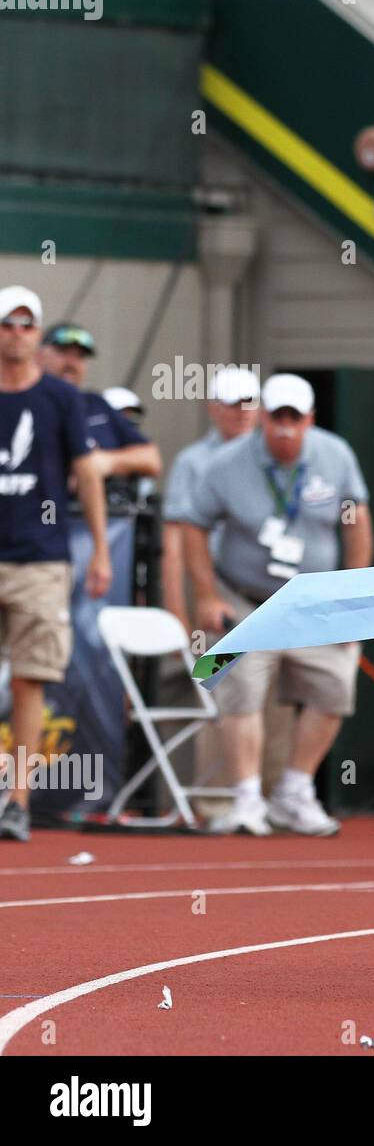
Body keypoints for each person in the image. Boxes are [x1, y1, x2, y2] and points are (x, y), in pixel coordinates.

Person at [181, 373, 374, 838]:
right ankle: (246, 796)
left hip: (311, 601)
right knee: (238, 687)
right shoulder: (224, 464)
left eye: (294, 418)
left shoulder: (336, 455)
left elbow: (356, 523)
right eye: (276, 418)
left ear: (309, 419)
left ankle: (294, 790)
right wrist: (206, 594)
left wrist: (352, 597)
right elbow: (193, 527)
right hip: (243, 599)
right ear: (263, 418)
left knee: (335, 685)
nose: (285, 429)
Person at [0, 287, 111, 842]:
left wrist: (102, 550)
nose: (16, 334)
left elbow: (88, 475)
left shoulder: (60, 399)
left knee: (30, 681)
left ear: (36, 335)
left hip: (40, 560)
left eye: (25, 326)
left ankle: (16, 800)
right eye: (7, 325)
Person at [161, 367, 261, 636]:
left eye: (250, 402)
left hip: (273, 588)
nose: (243, 411)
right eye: (233, 403)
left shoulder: (274, 461)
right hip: (214, 588)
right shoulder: (193, 462)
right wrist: (176, 613)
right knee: (220, 673)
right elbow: (174, 543)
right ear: (213, 408)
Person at [39, 322, 162, 482]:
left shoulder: (96, 405)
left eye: (80, 356)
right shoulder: (25, 402)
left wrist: (103, 462)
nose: (71, 364)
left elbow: (151, 458)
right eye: (62, 352)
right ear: (39, 355)